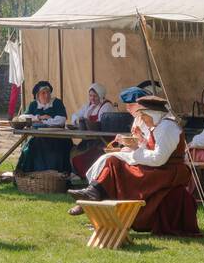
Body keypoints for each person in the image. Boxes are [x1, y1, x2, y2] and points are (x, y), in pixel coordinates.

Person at [67, 95, 193, 232]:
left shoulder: (167, 127)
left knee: (115, 164)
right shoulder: (159, 126)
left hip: (167, 172)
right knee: (113, 162)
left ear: (154, 114)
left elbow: (159, 158)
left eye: (144, 116)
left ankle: (95, 195)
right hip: (159, 168)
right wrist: (140, 141)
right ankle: (95, 196)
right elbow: (153, 150)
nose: (143, 120)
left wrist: (134, 155)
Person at [15, 80, 72, 175]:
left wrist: (44, 122)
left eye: (48, 92)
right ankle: (35, 175)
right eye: (43, 93)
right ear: (37, 95)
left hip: (58, 137)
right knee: (32, 147)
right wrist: (39, 117)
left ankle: (56, 176)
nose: (46, 95)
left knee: (58, 150)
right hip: (39, 137)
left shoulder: (56, 102)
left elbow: (61, 119)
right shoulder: (34, 104)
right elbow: (22, 117)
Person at [68, 82, 117, 178]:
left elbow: (102, 124)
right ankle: (78, 175)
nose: (92, 98)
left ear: (101, 95)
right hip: (90, 139)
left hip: (102, 141)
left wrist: (88, 123)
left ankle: (86, 176)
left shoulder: (106, 106)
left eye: (95, 96)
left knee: (83, 156)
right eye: (90, 96)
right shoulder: (89, 106)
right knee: (73, 151)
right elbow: (75, 115)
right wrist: (78, 120)